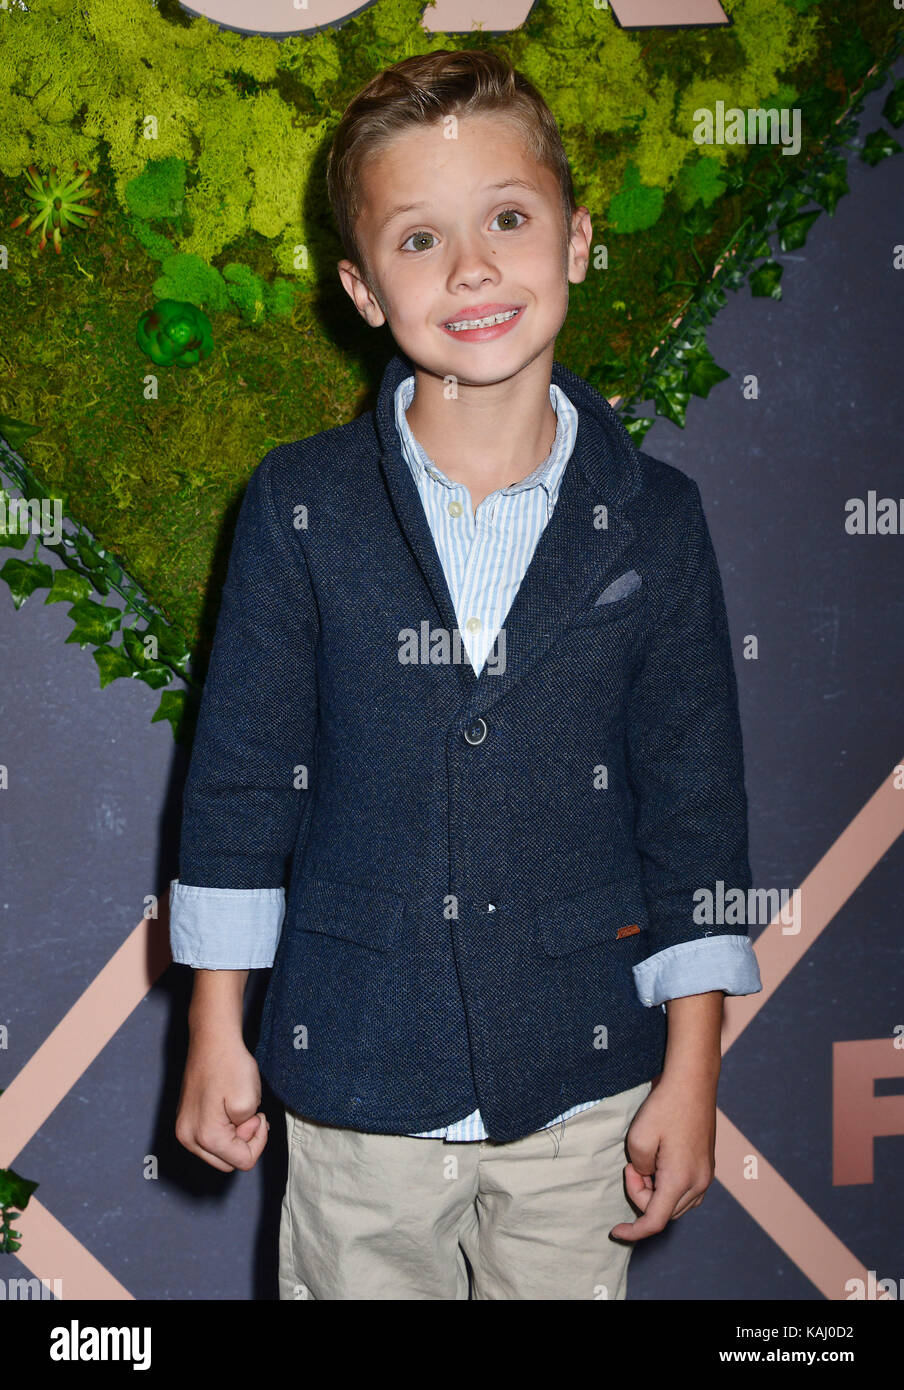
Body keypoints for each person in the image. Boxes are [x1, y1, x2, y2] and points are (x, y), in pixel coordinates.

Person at [171, 48, 762, 1301]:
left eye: (506, 219)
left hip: (584, 1087)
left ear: (577, 238)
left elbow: (693, 810)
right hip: (356, 1087)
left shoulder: (656, 520)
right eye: (419, 239)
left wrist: (693, 1069)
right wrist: (215, 1026)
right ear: (362, 288)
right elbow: (238, 788)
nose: (474, 267)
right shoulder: (296, 507)